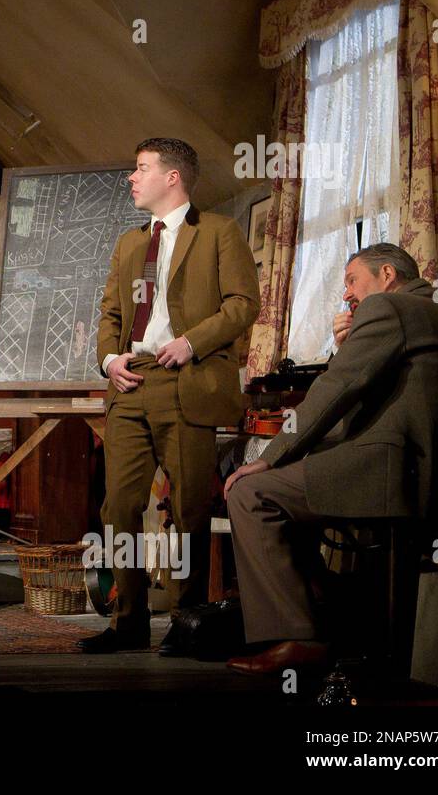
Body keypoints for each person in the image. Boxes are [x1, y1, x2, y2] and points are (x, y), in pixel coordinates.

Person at [223, 243, 438, 674]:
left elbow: (336, 389)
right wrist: (349, 343)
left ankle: (301, 637)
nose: (347, 295)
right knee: (289, 482)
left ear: (386, 275)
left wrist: (269, 457)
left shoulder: (390, 309)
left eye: (352, 281)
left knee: (251, 491)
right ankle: (332, 617)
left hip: (391, 471)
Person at [82, 137, 259, 654]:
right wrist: (109, 359)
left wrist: (191, 341)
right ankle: (127, 621)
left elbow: (244, 304)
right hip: (130, 380)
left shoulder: (220, 233)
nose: (132, 179)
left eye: (141, 169)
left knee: (187, 507)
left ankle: (187, 623)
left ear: (172, 177)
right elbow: (111, 312)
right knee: (118, 507)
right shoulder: (129, 243)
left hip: (187, 380)